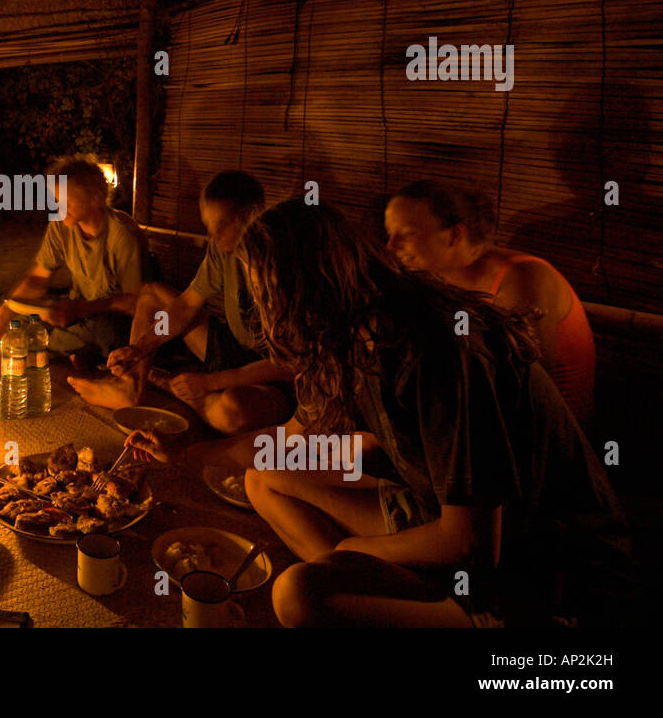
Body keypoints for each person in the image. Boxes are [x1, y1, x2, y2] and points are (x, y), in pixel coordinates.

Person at [128, 199, 634, 627]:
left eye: (266, 294)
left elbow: (472, 545)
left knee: (298, 593)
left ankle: (367, 594)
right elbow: (284, 441)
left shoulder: (436, 350)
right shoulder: (349, 336)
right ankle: (369, 594)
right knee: (266, 477)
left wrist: (351, 552)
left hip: (541, 568)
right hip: (430, 509)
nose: (263, 313)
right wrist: (190, 453)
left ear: (302, 287)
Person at [71, 171, 292, 434]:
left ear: (250, 218)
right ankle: (132, 386)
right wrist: (140, 347)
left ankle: (169, 385)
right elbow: (186, 306)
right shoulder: (223, 250)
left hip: (271, 375)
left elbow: (289, 364)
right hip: (232, 347)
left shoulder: (282, 269)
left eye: (219, 228)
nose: (212, 238)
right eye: (209, 229)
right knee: (152, 294)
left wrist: (211, 382)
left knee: (231, 412)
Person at [384, 179, 595, 428]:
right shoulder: (435, 277)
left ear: (454, 234)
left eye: (408, 234)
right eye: (390, 234)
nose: (391, 246)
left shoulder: (523, 278)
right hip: (484, 423)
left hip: (547, 436)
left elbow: (521, 386)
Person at [0, 155, 145, 363]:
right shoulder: (61, 225)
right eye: (55, 200)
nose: (58, 208)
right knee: (18, 308)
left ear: (94, 198)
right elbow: (37, 279)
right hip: (77, 311)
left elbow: (135, 302)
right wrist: (4, 312)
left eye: (64, 200)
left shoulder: (122, 235)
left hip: (111, 318)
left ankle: (58, 347)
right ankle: (66, 349)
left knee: (103, 332)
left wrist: (80, 310)